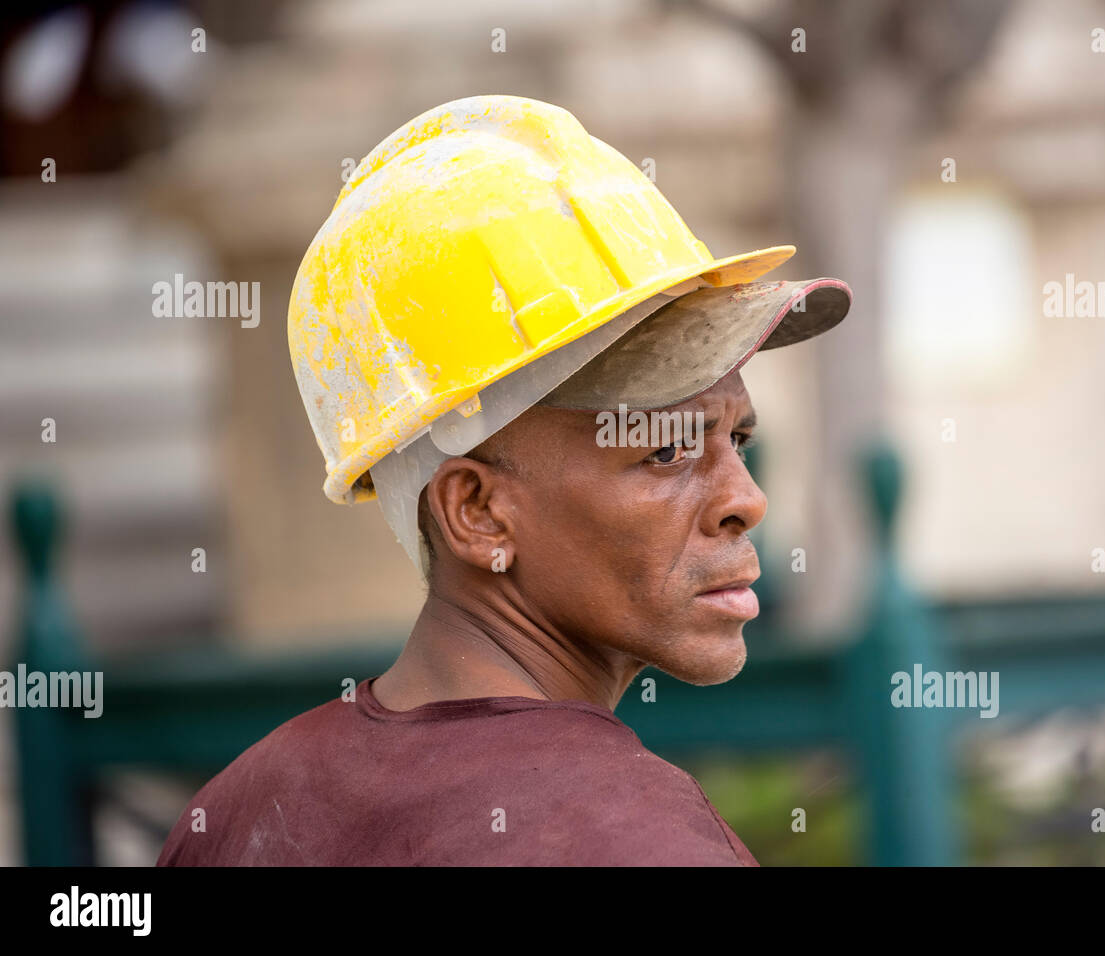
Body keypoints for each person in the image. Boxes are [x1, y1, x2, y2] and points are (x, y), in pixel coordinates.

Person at [157, 94, 851, 866]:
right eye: (666, 451)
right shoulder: (635, 842)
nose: (745, 501)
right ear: (478, 511)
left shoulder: (230, 816)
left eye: (739, 439)